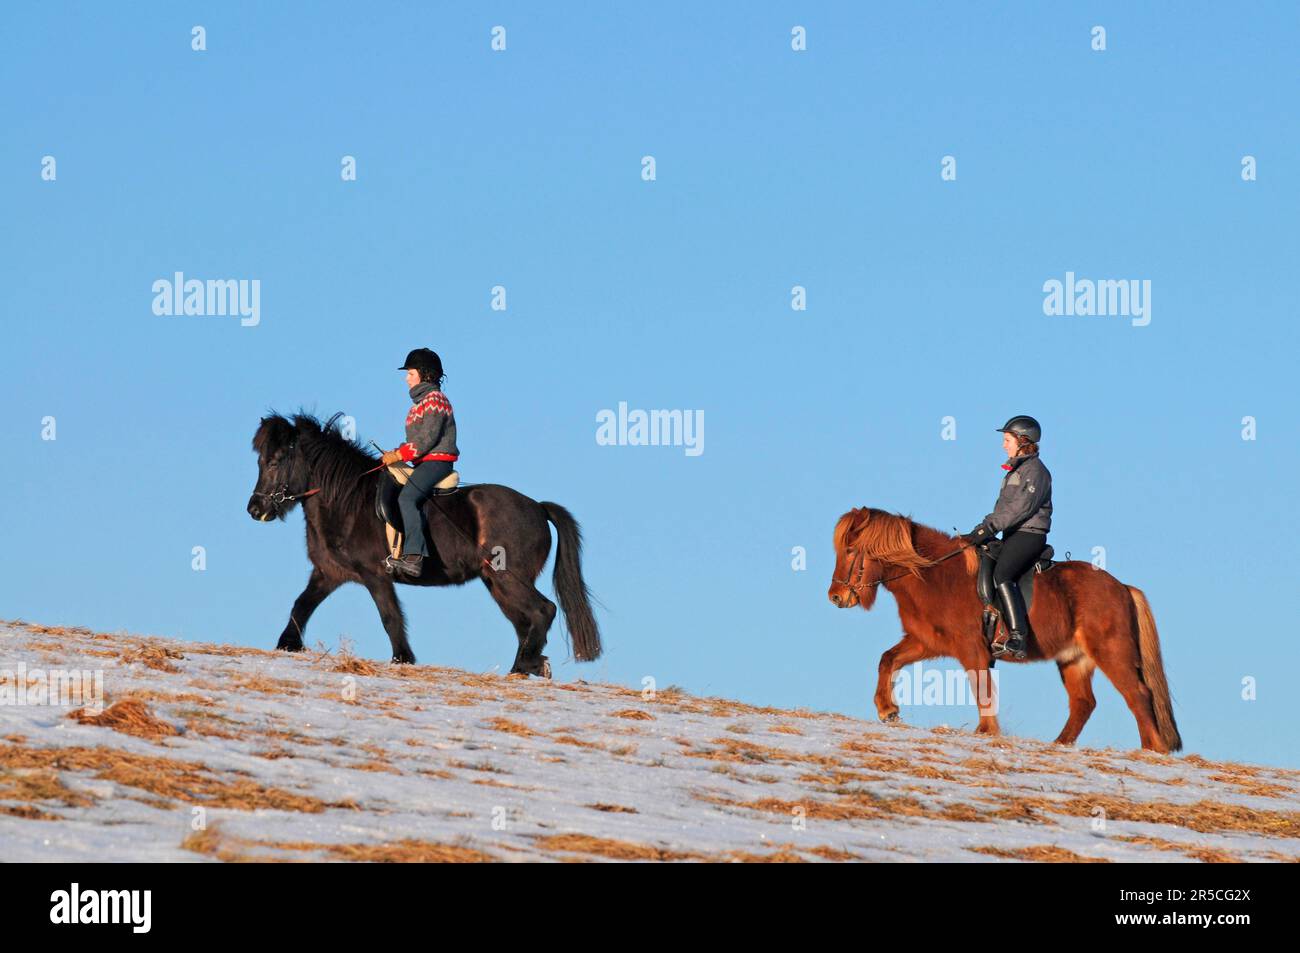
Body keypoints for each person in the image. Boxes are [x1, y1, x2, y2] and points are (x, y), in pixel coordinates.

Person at [961, 415, 1052, 659]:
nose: (1004, 445)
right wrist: (981, 531)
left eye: (1007, 439)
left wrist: (986, 530)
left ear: (1023, 441)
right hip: (1012, 533)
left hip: (1029, 534)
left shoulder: (1035, 472)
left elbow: (1019, 509)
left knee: (1002, 574)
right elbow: (1002, 510)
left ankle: (1018, 637)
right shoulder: (1015, 470)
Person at [380, 348, 459, 577]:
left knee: (407, 497)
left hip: (437, 462)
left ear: (424, 375)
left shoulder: (435, 400)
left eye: (410, 373)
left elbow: (427, 439)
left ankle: (414, 557)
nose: (406, 378)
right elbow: (414, 443)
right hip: (423, 462)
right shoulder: (417, 405)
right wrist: (394, 453)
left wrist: (399, 455)